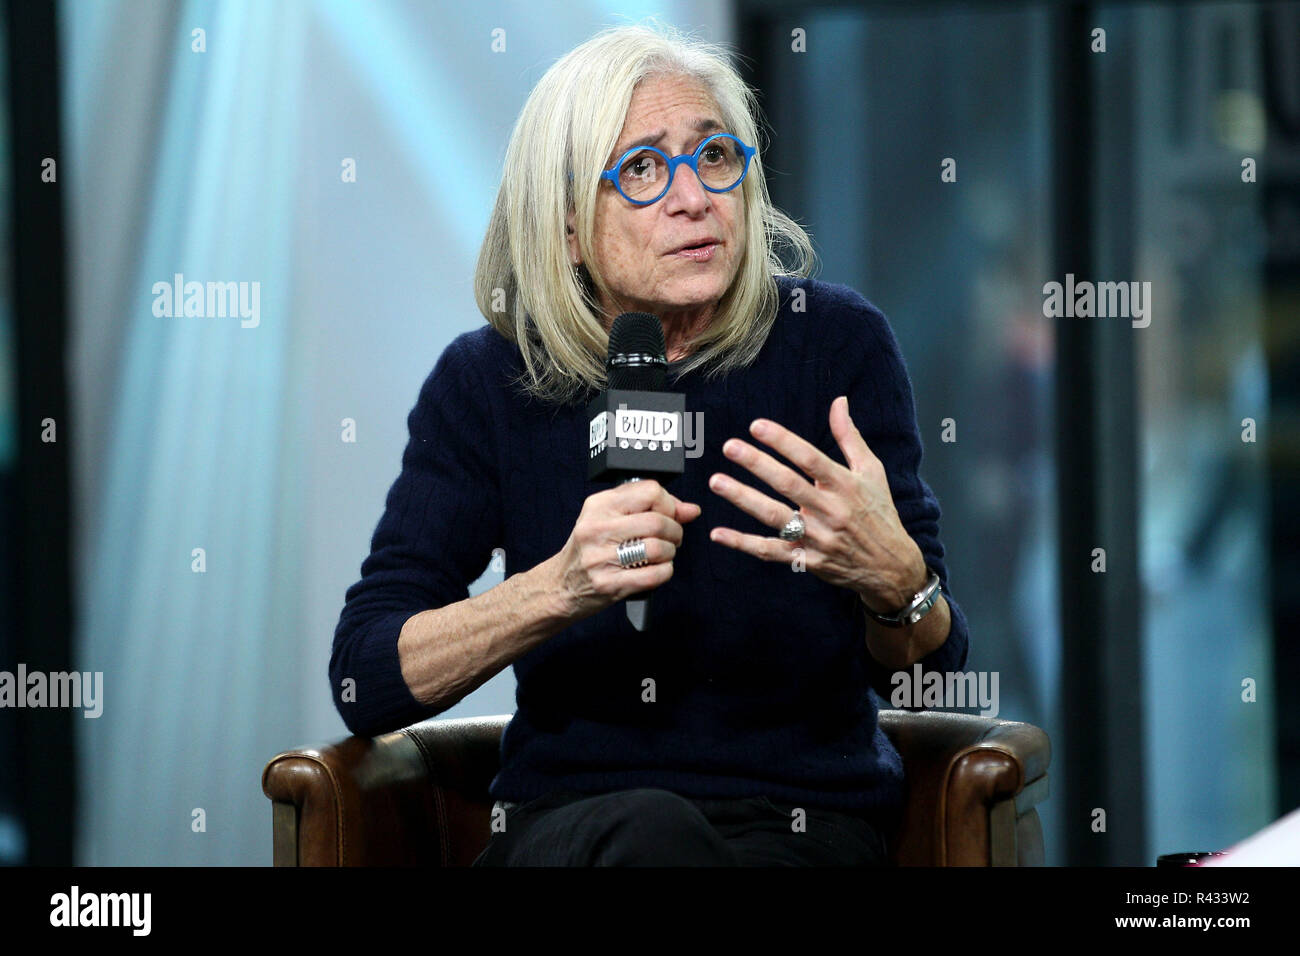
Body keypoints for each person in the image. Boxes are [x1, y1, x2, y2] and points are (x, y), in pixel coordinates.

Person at [330, 22, 968, 866]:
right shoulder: (492, 380)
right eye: (640, 170)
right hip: (569, 829)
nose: (693, 197)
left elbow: (935, 684)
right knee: (647, 833)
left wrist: (898, 584)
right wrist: (556, 588)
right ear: (564, 225)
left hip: (798, 831)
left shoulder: (834, 347)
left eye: (712, 157)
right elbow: (365, 676)